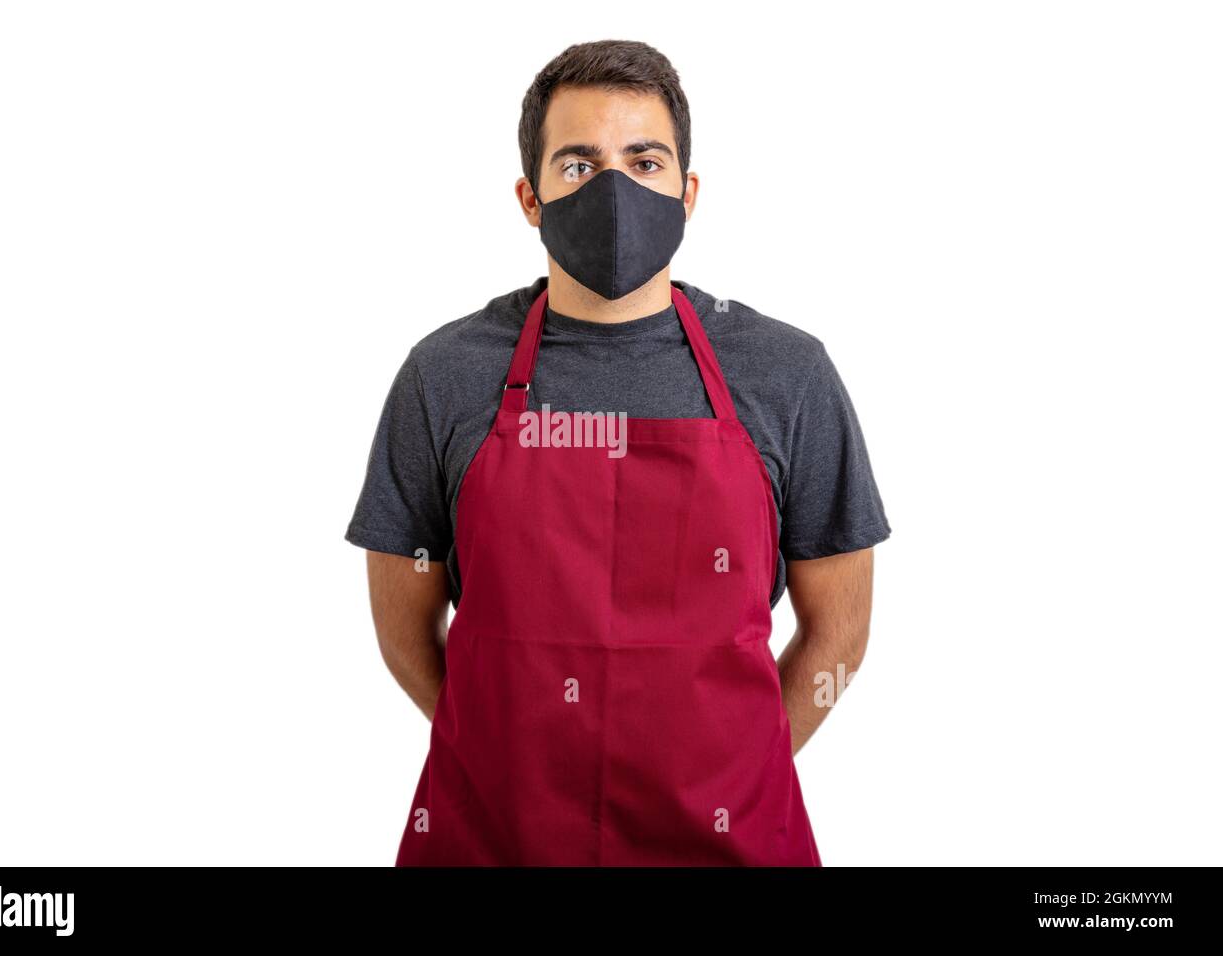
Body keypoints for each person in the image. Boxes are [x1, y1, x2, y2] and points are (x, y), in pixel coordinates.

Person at [344, 39, 891, 866]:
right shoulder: (446, 375)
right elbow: (402, 627)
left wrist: (735, 766)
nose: (613, 190)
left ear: (688, 192)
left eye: (644, 161)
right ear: (530, 198)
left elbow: (839, 633)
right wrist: (502, 759)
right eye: (577, 165)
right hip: (497, 841)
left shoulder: (788, 373)